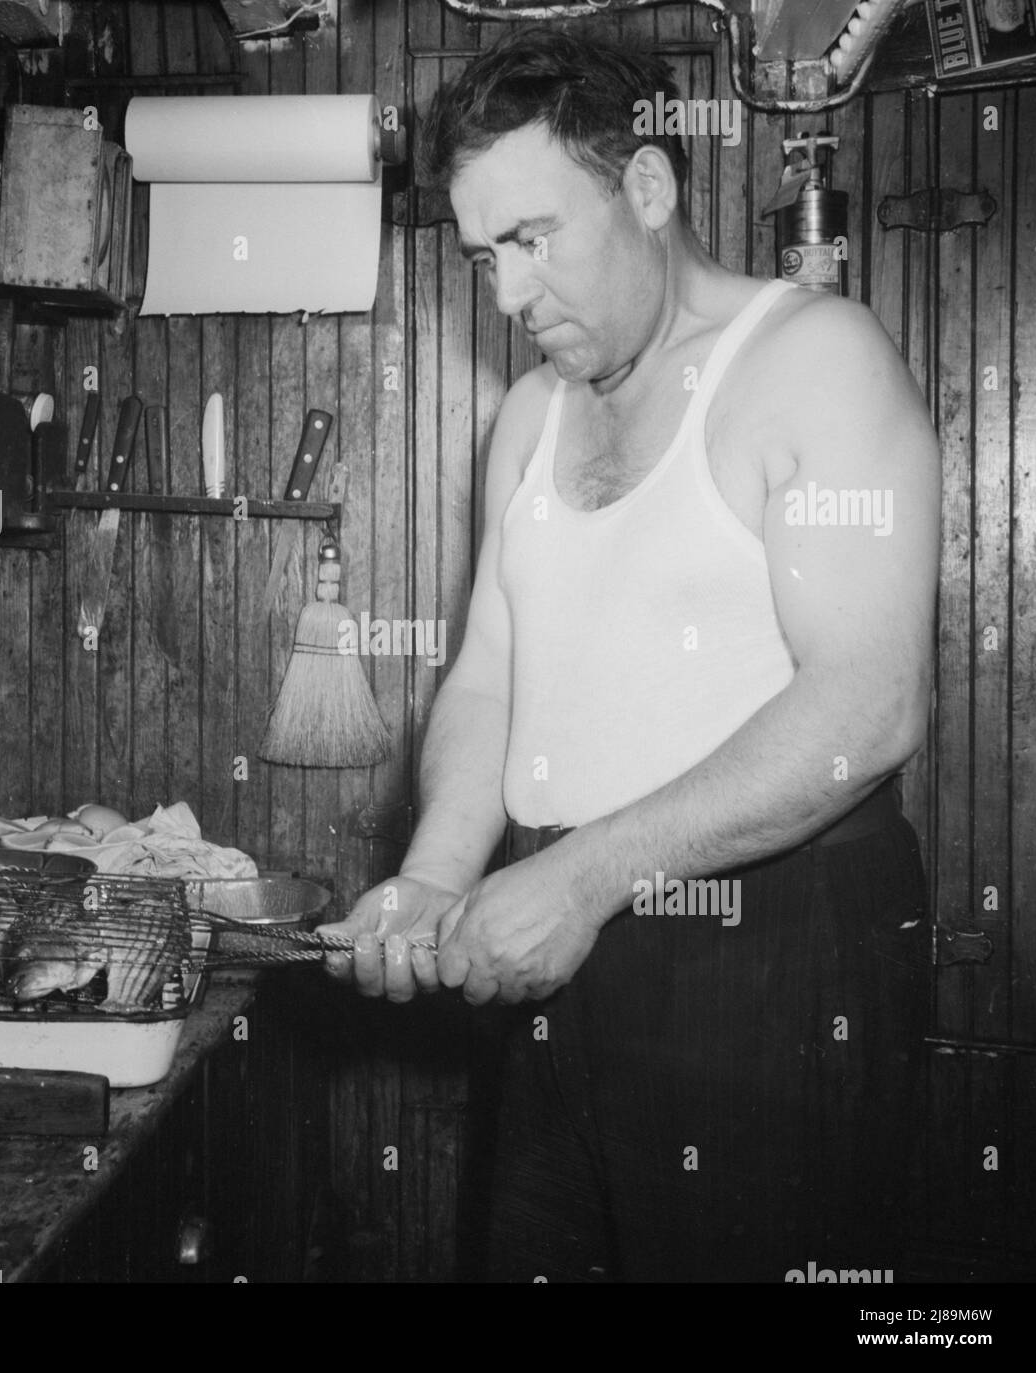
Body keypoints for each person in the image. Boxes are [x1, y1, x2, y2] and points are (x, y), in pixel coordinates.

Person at [320, 25, 941, 1282]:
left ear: (648, 188)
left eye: (532, 240)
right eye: (483, 254)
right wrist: (439, 874)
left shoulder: (816, 361)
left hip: (774, 949)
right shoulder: (527, 417)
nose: (503, 295)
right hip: (553, 946)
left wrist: (587, 878)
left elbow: (867, 709)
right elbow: (490, 669)